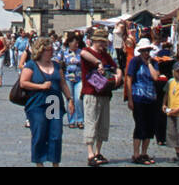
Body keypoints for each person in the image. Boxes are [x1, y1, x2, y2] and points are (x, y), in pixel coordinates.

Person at [21, 37, 72, 167]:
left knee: (56, 135)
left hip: (54, 103)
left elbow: (63, 84)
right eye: (48, 50)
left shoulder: (56, 65)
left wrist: (69, 99)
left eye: (52, 50)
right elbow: (23, 83)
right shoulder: (31, 65)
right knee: (39, 134)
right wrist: (41, 87)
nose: (51, 52)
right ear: (41, 51)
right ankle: (40, 163)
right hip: (37, 104)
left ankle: (55, 163)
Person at [80, 27, 121, 166]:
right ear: (94, 41)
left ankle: (98, 152)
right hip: (91, 92)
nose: (103, 45)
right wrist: (98, 62)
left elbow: (116, 67)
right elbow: (84, 54)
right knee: (91, 121)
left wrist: (118, 75)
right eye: (101, 42)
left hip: (104, 93)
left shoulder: (106, 54)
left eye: (104, 42)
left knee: (103, 124)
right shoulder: (88, 51)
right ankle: (90, 153)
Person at [126, 38, 161, 164]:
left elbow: (156, 77)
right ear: (140, 51)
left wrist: (149, 63)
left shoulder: (154, 62)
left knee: (149, 126)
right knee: (140, 125)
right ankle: (136, 154)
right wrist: (130, 98)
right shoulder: (135, 61)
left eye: (148, 50)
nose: (146, 53)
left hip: (151, 97)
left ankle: (144, 152)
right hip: (138, 97)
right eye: (144, 50)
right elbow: (129, 79)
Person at [56, 33, 85, 129]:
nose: (76, 45)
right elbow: (55, 60)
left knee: (78, 99)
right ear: (69, 43)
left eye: (77, 43)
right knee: (70, 99)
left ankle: (80, 120)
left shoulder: (81, 52)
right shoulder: (63, 52)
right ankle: (71, 120)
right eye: (75, 43)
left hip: (79, 79)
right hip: (67, 78)